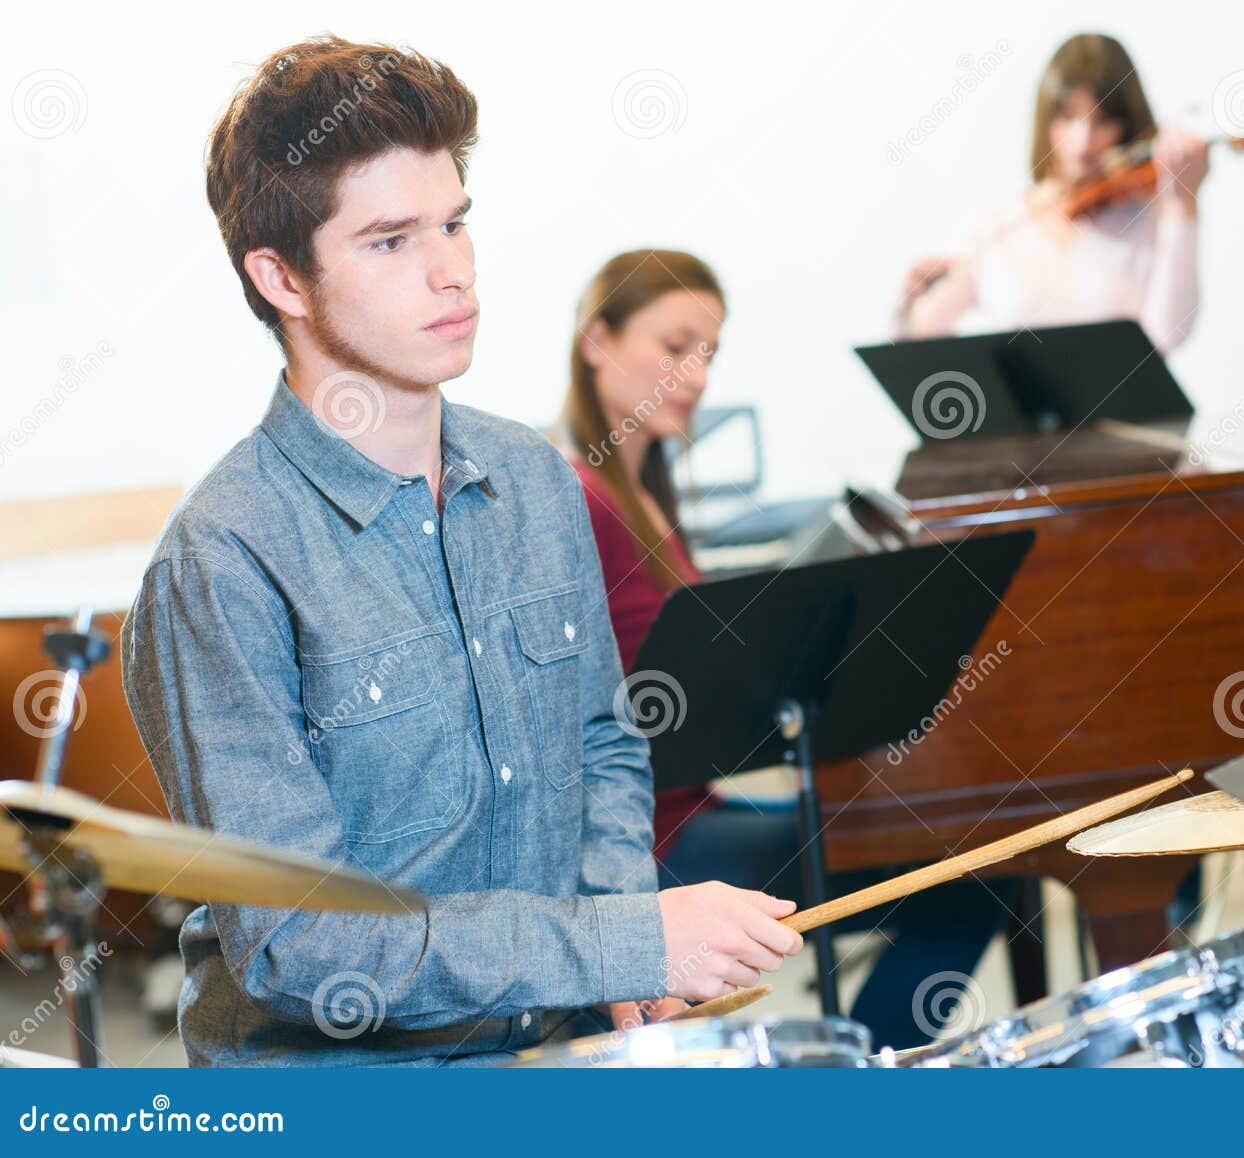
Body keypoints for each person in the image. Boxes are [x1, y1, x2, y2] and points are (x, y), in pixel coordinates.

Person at [120, 37, 801, 1068]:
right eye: (391, 242)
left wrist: (623, 946)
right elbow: (302, 946)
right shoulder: (220, 563)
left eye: (454, 222)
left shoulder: (534, 479)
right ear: (282, 278)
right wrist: (613, 941)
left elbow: (602, 747)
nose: (454, 271)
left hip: (552, 1047)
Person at [558, 249, 1012, 1048]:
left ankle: (854, 1071)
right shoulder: (578, 496)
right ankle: (858, 1082)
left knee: (962, 859)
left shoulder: (643, 494)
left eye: (710, 352)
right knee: (973, 878)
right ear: (597, 340)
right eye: (675, 345)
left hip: (698, 812)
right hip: (657, 848)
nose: (696, 373)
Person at [897, 32, 1209, 351]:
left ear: (1127, 126)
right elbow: (927, 335)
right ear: (1046, 119)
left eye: (1103, 120)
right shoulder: (1001, 227)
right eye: (1068, 116)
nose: (1083, 141)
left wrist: (1182, 208)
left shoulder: (1152, 221)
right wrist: (914, 303)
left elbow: (1169, 334)